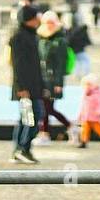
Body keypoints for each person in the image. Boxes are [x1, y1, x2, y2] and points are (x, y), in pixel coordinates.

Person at [8, 4, 45, 165]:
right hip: (25, 87)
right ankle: (22, 149)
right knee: (30, 116)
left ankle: (22, 149)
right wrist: (22, 88)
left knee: (28, 117)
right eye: (36, 16)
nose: (39, 19)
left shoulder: (31, 35)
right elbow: (19, 65)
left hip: (33, 86)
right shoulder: (19, 37)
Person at [35, 9, 72, 144]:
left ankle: (50, 132)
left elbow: (61, 64)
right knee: (45, 108)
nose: (49, 25)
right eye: (47, 22)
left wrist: (59, 83)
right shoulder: (40, 37)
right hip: (41, 79)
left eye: (51, 22)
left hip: (52, 80)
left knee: (47, 108)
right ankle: (46, 133)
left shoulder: (60, 41)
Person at [76, 73, 100, 149]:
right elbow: (83, 105)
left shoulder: (97, 94)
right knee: (85, 129)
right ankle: (83, 141)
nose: (87, 86)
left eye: (89, 84)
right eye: (86, 84)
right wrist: (80, 114)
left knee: (98, 129)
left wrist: (99, 111)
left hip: (94, 116)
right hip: (86, 116)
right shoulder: (85, 94)